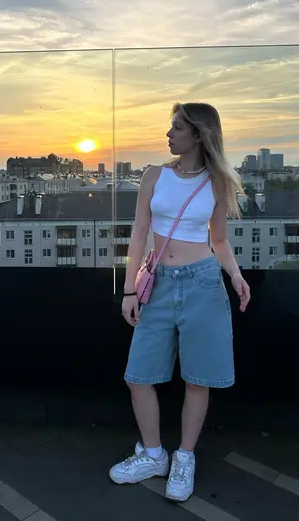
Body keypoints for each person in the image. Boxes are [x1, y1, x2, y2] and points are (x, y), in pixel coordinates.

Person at [109, 102, 250, 502]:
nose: (168, 134)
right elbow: (138, 233)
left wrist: (236, 276)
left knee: (197, 378)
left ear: (199, 135)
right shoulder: (154, 176)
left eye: (177, 128)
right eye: (171, 127)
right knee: (138, 375)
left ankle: (184, 457)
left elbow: (218, 239)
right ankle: (154, 455)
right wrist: (129, 290)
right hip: (158, 283)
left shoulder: (216, 182)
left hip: (203, 283)